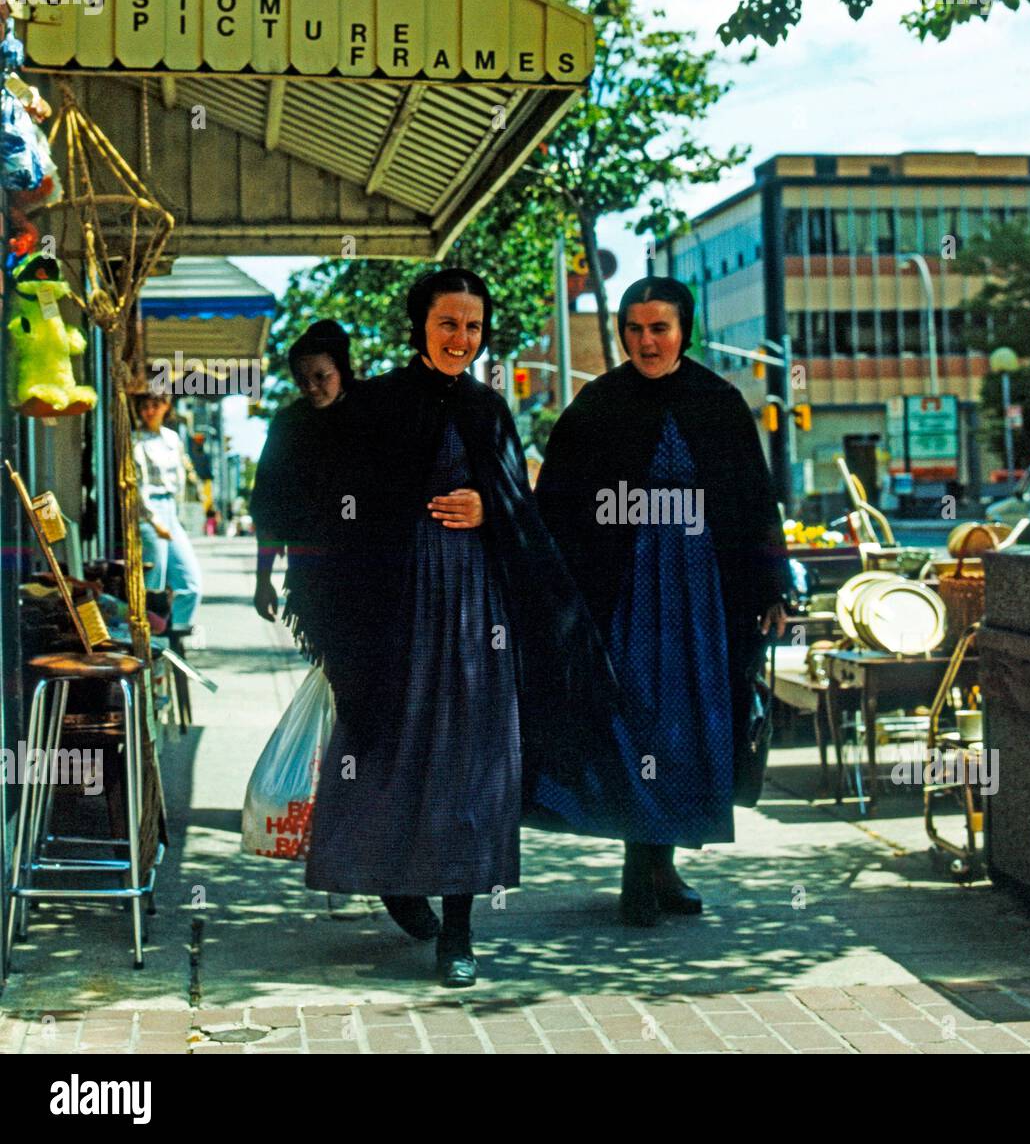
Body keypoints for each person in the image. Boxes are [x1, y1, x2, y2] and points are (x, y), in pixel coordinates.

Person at [302, 269, 620, 986]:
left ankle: (461, 929)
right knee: (389, 753)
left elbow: (521, 508)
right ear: (420, 325)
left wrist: (490, 509)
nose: (462, 339)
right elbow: (337, 502)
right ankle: (396, 881)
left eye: (474, 327)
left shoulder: (489, 408)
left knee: (474, 765)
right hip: (396, 611)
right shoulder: (376, 403)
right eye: (449, 324)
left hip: (478, 615)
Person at [534, 275, 791, 927]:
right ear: (621, 332)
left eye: (660, 328)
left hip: (703, 598)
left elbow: (754, 501)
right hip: (622, 591)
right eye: (635, 328)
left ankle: (662, 862)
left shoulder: (719, 401)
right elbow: (558, 504)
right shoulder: (598, 405)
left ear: (685, 331)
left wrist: (769, 585)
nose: (646, 341)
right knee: (632, 716)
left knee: (688, 727)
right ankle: (636, 863)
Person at [249, 319, 356, 662]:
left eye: (321, 376)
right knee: (330, 668)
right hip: (311, 571)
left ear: (341, 368)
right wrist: (262, 579)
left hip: (370, 571)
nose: (311, 387)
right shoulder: (288, 425)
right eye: (301, 379)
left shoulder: (373, 415)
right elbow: (267, 503)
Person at [132, 393, 202, 631]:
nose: (150, 411)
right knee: (155, 579)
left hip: (171, 509)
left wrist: (177, 517)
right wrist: (153, 521)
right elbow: (138, 486)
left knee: (190, 583)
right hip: (149, 511)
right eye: (145, 407)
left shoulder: (172, 438)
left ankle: (179, 632)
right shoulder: (136, 440)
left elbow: (181, 480)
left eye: (155, 405)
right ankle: (151, 637)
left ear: (165, 406)